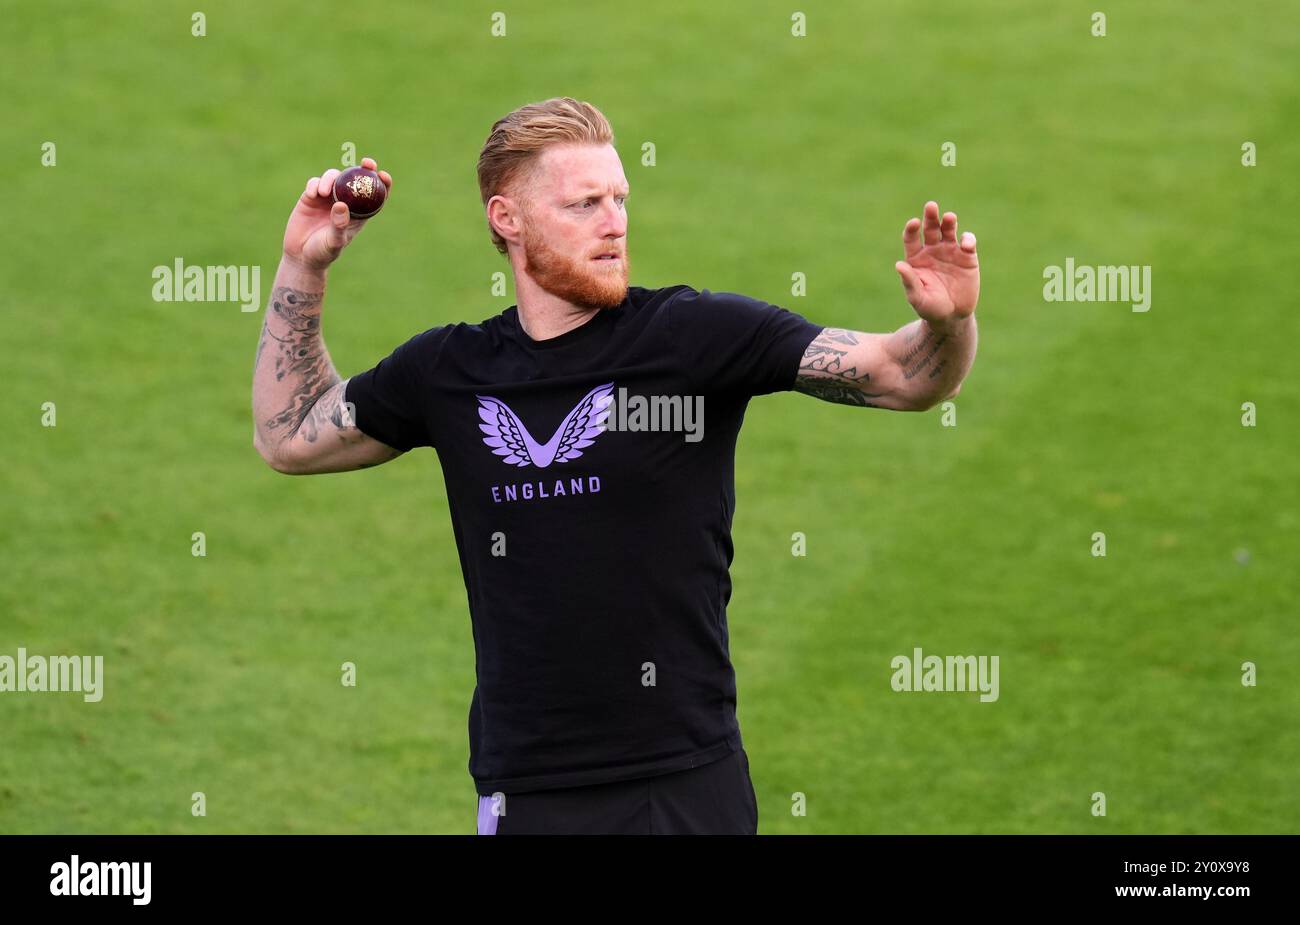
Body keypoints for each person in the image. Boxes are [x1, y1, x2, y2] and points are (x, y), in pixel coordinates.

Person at [251, 97, 979, 835]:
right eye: (586, 203)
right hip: (529, 790)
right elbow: (288, 434)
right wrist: (303, 264)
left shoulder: (691, 336)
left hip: (685, 784)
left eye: (621, 198)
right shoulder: (450, 371)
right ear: (509, 219)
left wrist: (946, 322)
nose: (616, 221)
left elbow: (905, 377)